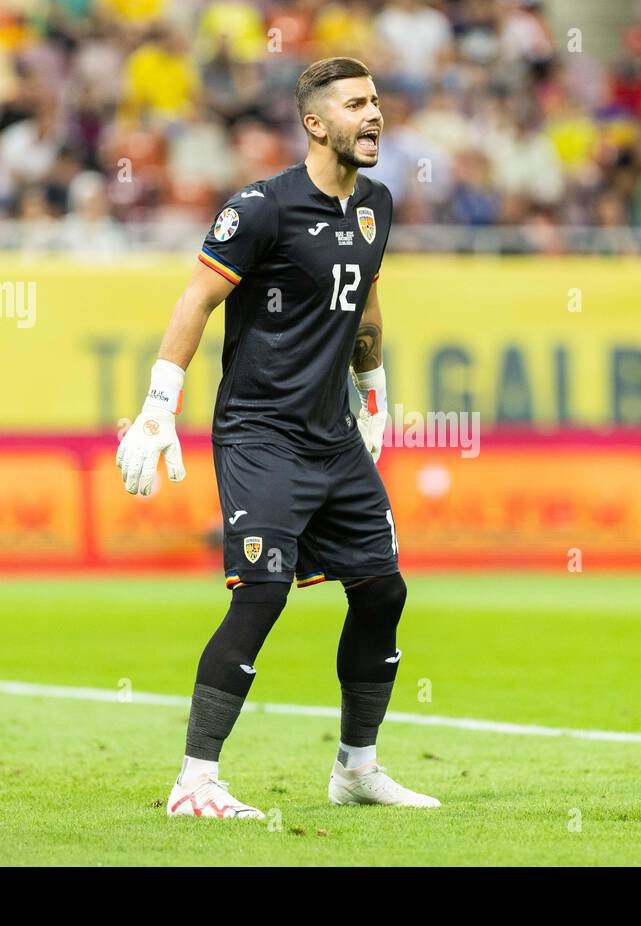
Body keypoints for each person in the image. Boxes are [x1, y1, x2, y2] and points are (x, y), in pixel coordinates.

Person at [116, 57, 439, 819]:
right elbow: (196, 300)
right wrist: (160, 404)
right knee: (261, 595)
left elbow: (367, 305)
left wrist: (374, 392)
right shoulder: (260, 209)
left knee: (384, 590)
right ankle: (194, 783)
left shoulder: (377, 206)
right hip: (261, 435)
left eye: (377, 101)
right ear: (316, 123)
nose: (376, 114)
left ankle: (356, 768)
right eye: (357, 104)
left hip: (334, 439)